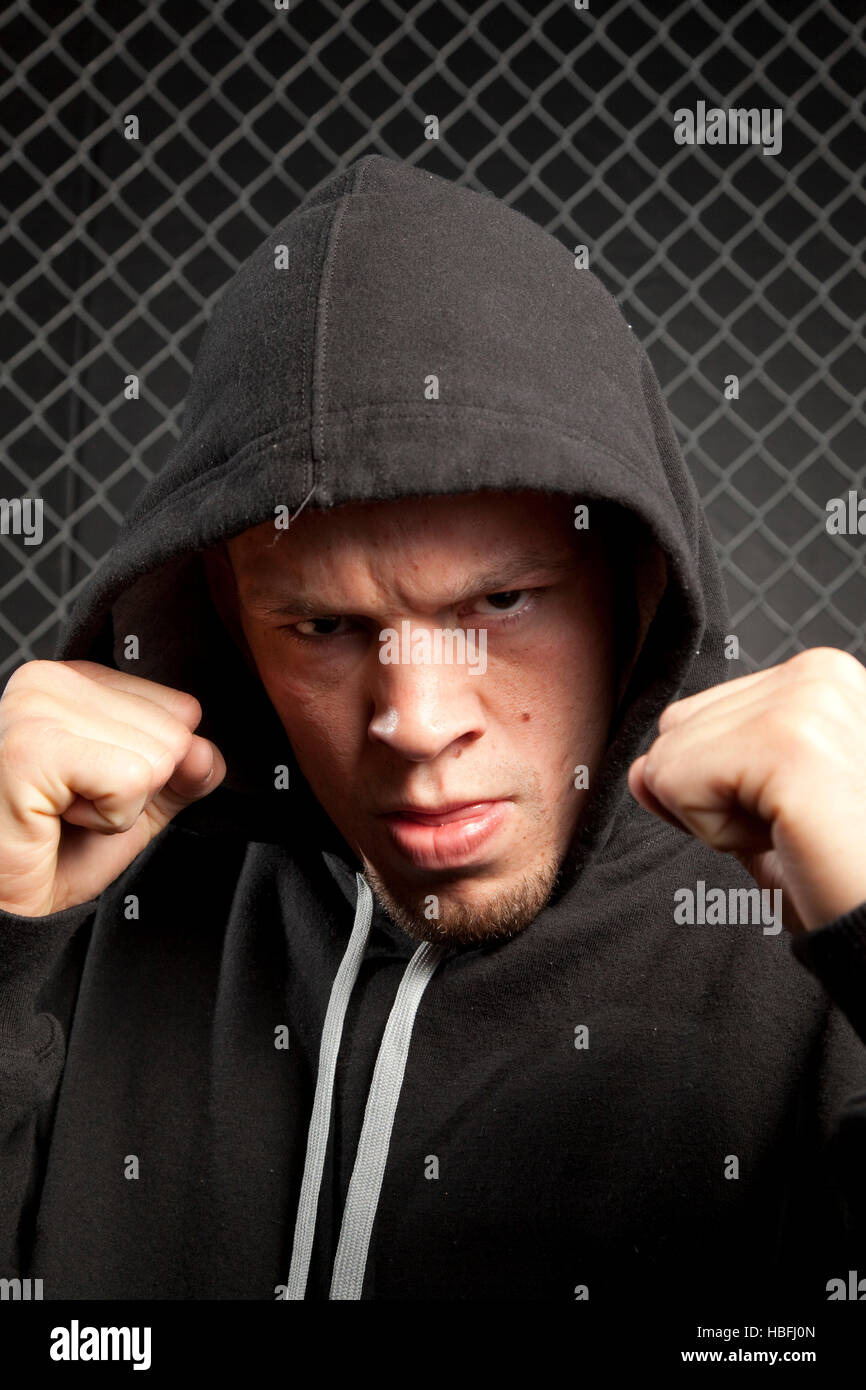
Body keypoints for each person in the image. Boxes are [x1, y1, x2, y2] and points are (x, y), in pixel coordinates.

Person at [1, 153, 865, 1305]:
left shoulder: (814, 944)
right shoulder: (86, 909)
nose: (414, 724)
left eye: (498, 603)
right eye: (319, 624)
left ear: (634, 583)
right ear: (223, 612)